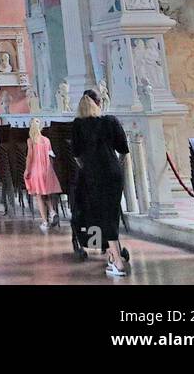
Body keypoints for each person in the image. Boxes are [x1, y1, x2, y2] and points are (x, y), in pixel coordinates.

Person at [71, 89, 131, 277]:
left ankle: (118, 262)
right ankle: (112, 255)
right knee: (112, 213)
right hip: (113, 173)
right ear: (99, 103)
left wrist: (88, 167)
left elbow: (76, 154)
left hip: (93, 175)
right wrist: (115, 167)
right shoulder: (110, 121)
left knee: (102, 216)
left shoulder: (78, 125)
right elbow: (123, 149)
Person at [24, 118, 62, 230]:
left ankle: (45, 222)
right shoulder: (47, 140)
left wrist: (27, 169)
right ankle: (52, 212)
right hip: (47, 170)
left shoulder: (30, 141)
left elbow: (30, 157)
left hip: (36, 170)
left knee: (39, 196)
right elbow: (51, 156)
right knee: (45, 193)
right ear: (41, 127)